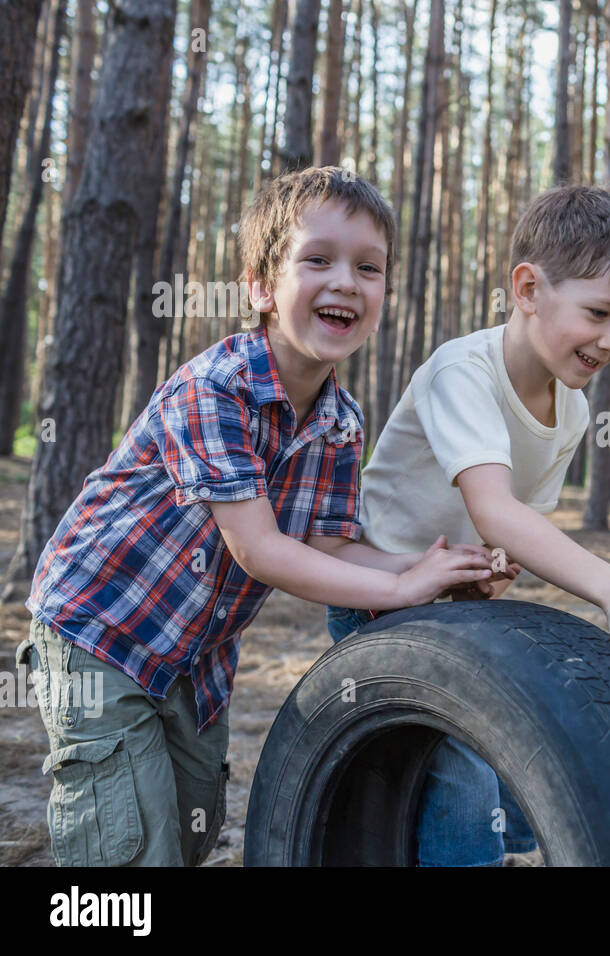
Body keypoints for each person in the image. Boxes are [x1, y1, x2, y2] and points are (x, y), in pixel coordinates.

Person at [19, 166, 495, 866]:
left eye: (369, 268)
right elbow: (260, 549)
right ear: (261, 287)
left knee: (190, 830)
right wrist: (398, 591)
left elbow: (327, 549)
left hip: (192, 657)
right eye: (318, 259)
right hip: (100, 632)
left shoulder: (341, 422)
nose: (345, 282)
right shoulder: (216, 389)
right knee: (125, 847)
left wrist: (428, 568)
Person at [327, 183, 610, 867]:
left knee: (521, 778)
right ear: (528, 288)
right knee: (464, 787)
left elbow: (516, 526)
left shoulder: (574, 410)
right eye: (599, 312)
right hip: (380, 592)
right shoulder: (462, 372)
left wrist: (496, 570)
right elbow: (491, 507)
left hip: (452, 603)